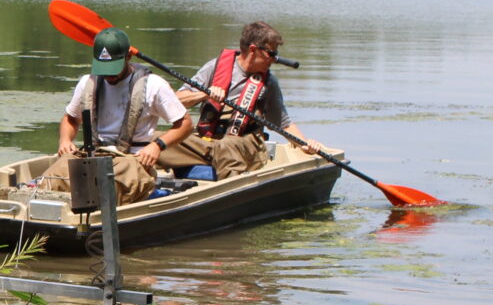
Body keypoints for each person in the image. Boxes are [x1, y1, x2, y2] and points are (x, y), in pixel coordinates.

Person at [41, 27, 193, 205]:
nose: (108, 75)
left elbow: (186, 124)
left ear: (128, 57)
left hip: (133, 159)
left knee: (107, 186)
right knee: (53, 177)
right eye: (103, 68)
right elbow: (71, 119)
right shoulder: (87, 82)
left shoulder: (153, 85)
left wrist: (157, 146)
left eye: (113, 68)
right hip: (93, 156)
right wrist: (65, 140)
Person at [161, 20, 324, 180]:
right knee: (153, 139)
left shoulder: (269, 83)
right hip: (208, 143)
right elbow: (176, 100)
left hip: (246, 145)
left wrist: (305, 144)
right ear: (253, 49)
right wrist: (205, 94)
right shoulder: (215, 67)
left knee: (226, 146)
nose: (274, 60)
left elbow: (283, 123)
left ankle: (228, 190)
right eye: (271, 54)